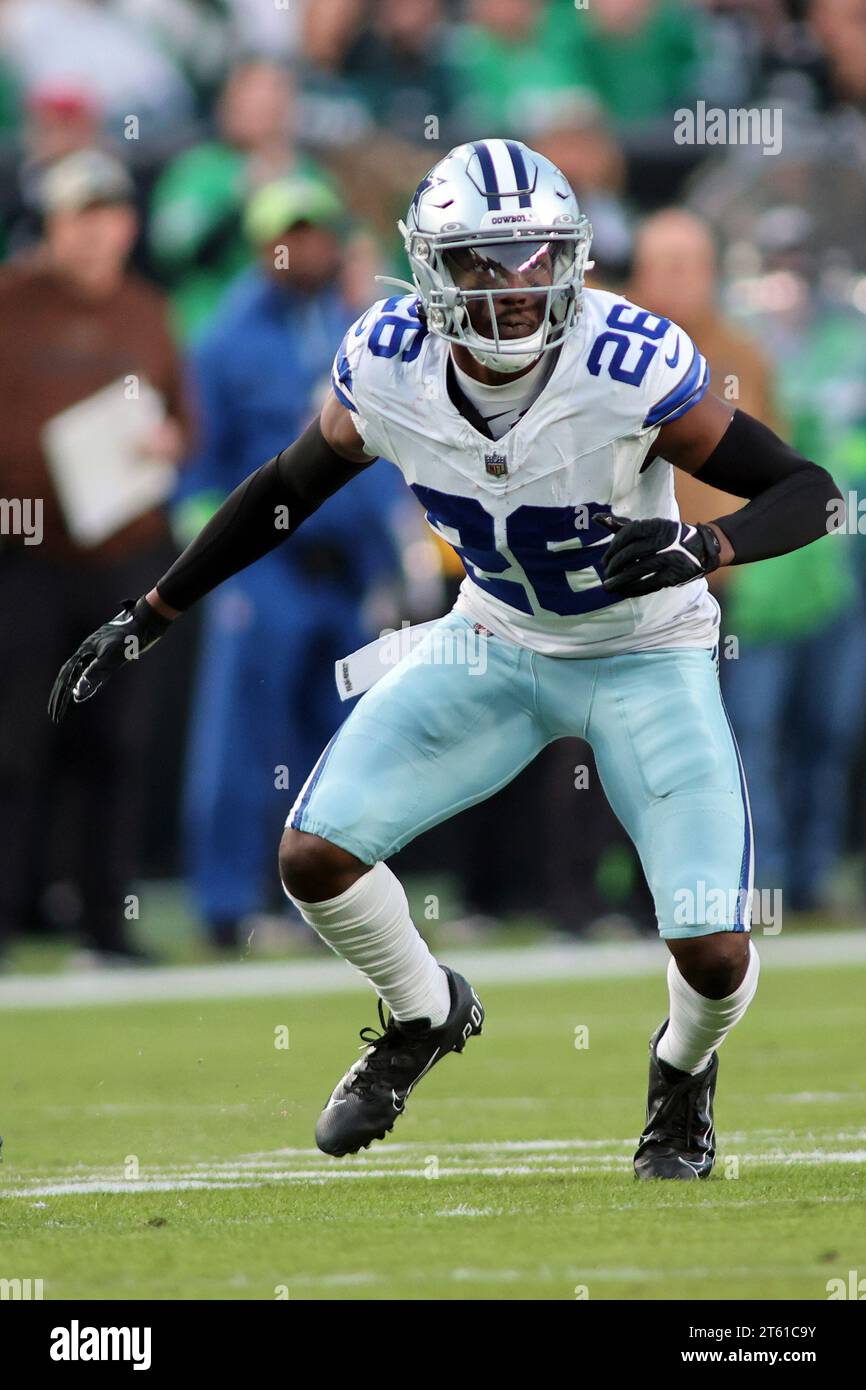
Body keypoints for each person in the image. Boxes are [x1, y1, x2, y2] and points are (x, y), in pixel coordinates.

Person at [50, 140, 841, 1180]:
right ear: (430, 270)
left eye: (535, 260)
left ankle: (680, 1075)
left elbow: (809, 490)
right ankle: (424, 1011)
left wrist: (707, 543)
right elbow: (285, 486)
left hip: (644, 651)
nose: (516, 291)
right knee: (314, 857)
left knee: (712, 946)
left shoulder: (626, 364)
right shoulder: (386, 362)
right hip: (497, 637)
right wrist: (153, 608)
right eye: (484, 264)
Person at [177, 176, 404, 949]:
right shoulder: (224, 340)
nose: (303, 246)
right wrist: (219, 567)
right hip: (267, 573)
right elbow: (200, 470)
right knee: (243, 739)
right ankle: (227, 906)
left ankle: (329, 905)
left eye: (316, 232)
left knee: (345, 744)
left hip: (346, 570)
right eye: (288, 233)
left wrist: (392, 557)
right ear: (258, 244)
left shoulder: (354, 326)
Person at [0, 147, 189, 963]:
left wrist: (170, 440)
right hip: (25, 552)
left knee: (115, 741)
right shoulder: (12, 304)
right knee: (14, 743)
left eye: (106, 215)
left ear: (127, 226)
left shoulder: (148, 310)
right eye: (77, 216)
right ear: (51, 224)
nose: (91, 233)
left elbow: (185, 420)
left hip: (126, 552)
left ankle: (104, 925)